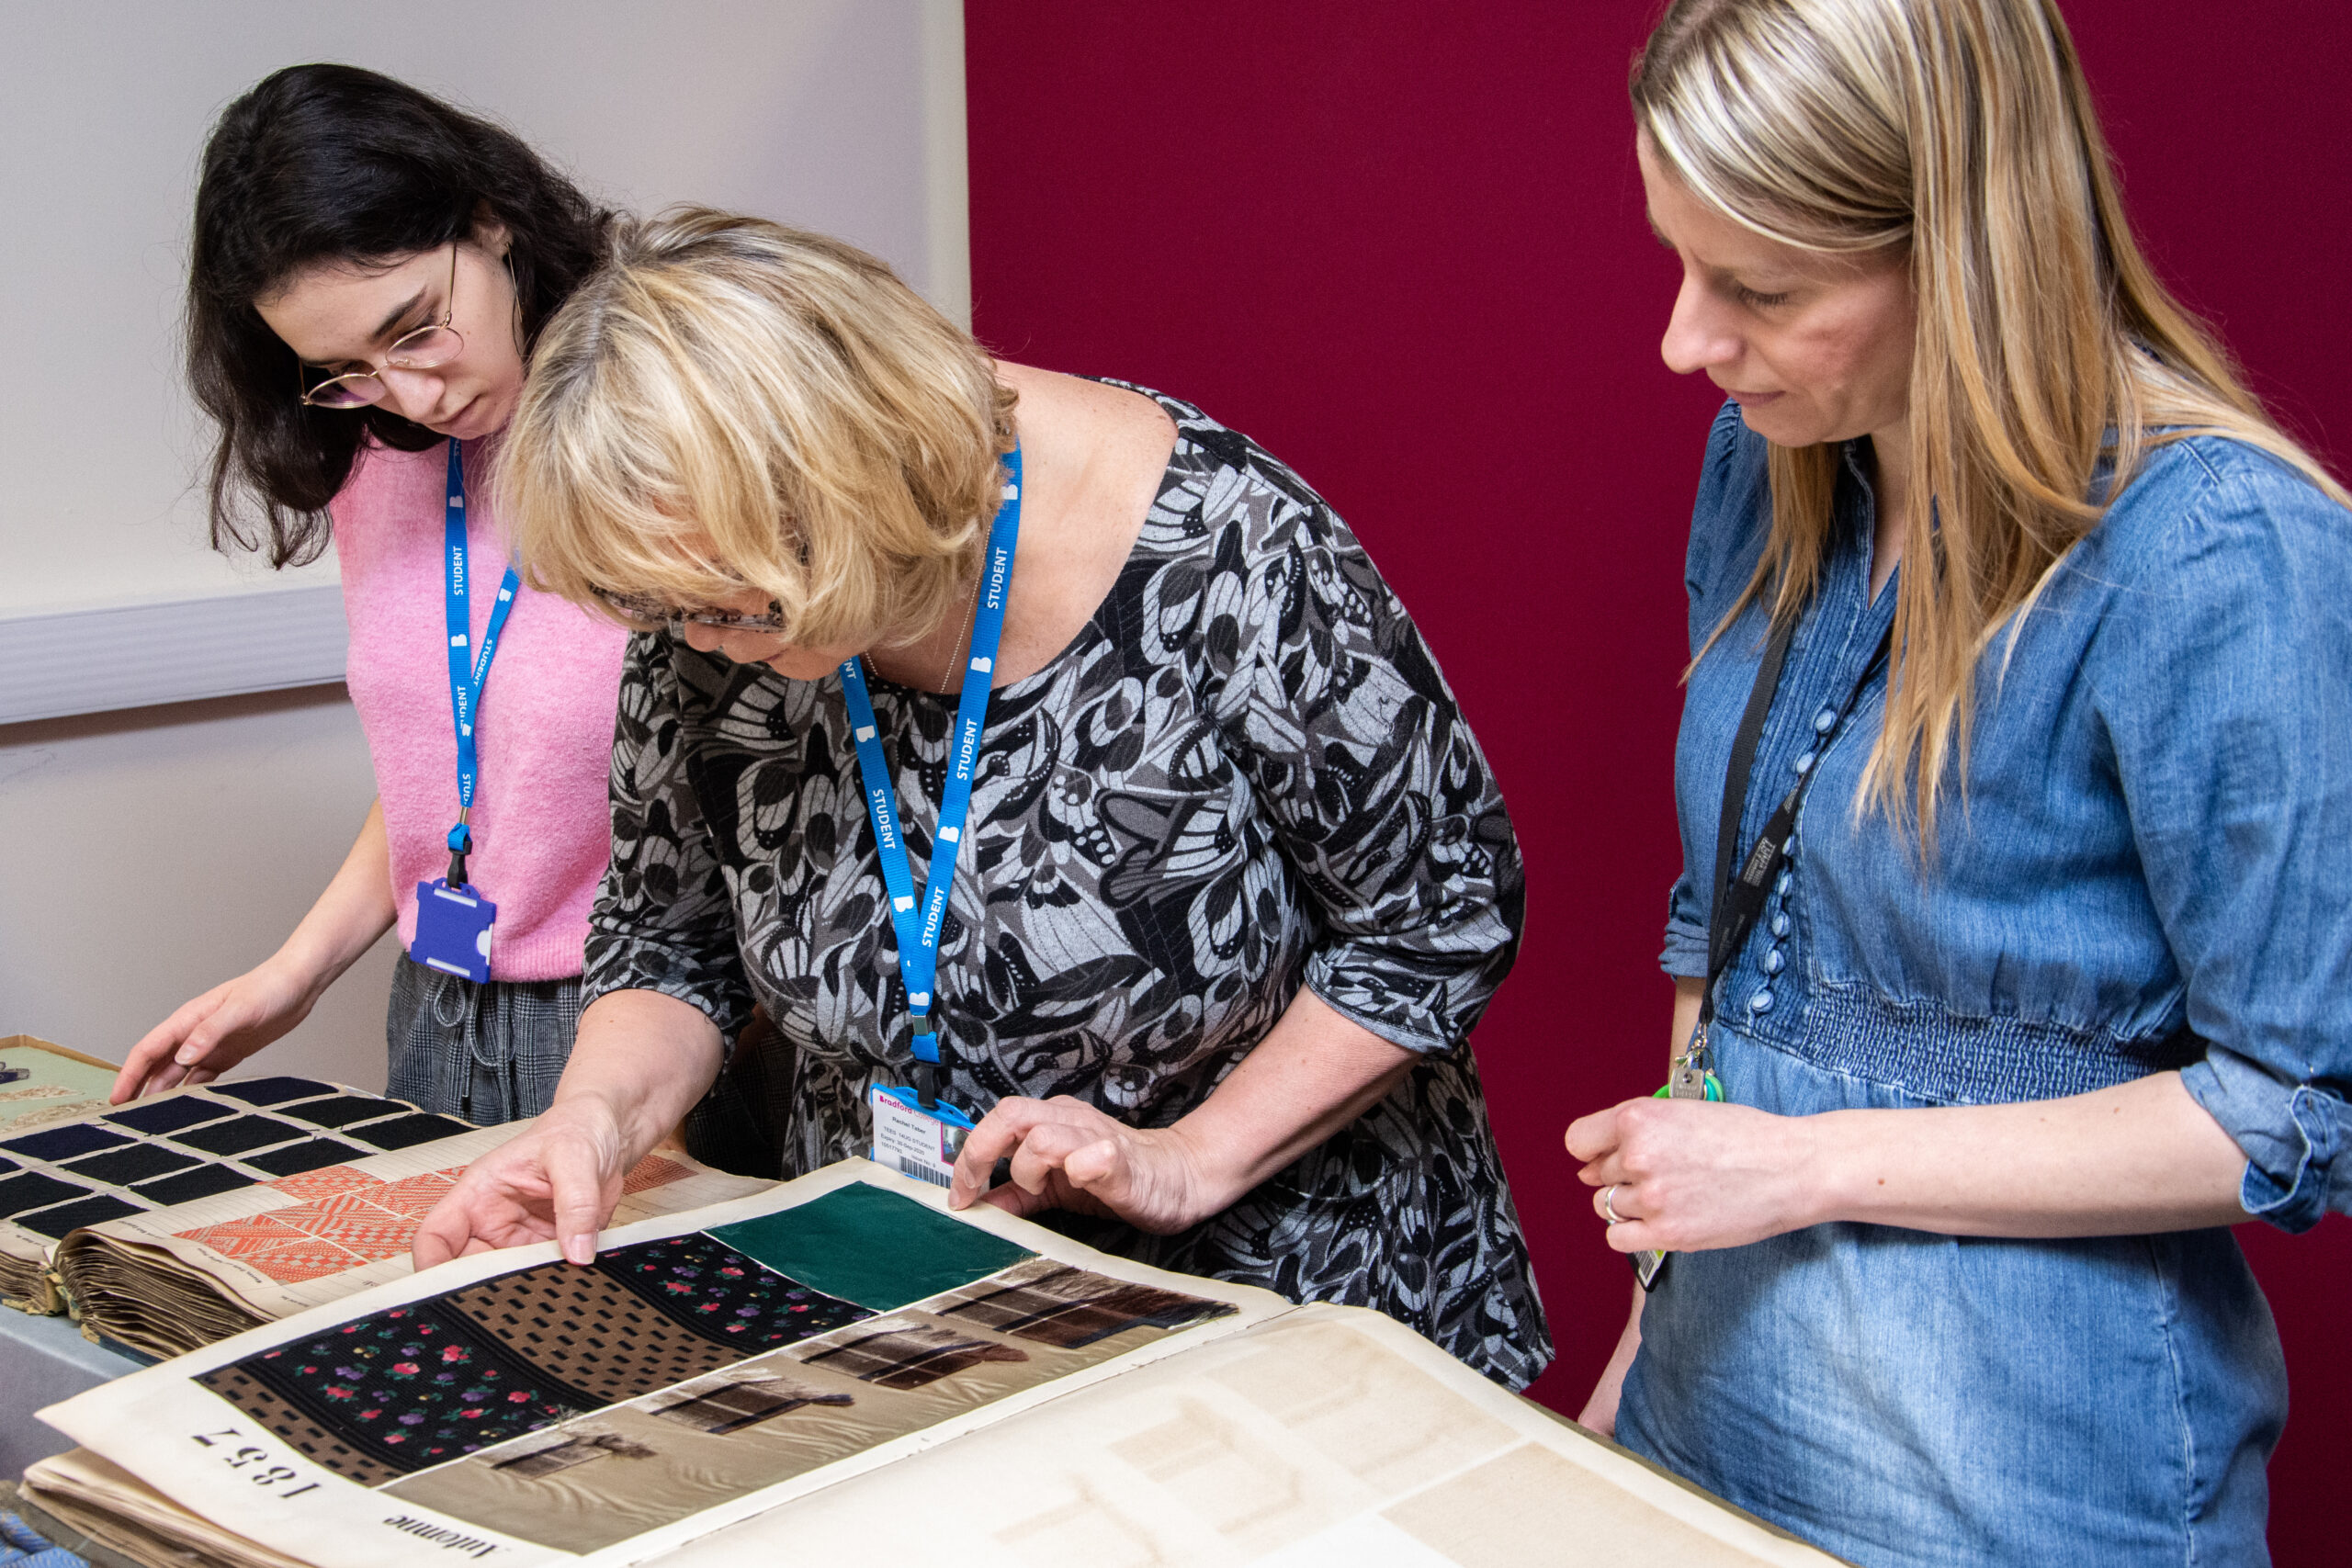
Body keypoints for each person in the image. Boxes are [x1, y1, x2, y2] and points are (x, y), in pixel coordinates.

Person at [413, 209, 1550, 1386]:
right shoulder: (700, 595)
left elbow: (1440, 914)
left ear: (852, 496)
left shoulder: (1223, 546)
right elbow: (667, 939)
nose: (703, 645)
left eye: (743, 607)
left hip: (1283, 1293)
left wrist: (1189, 1158)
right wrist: (592, 1120)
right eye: (667, 612)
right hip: (917, 1305)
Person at [1564, 1, 2351, 1562]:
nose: (1685, 340)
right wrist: (1634, 1370)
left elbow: (2293, 1111)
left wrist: (1807, 1165)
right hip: (1704, 1420)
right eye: (1681, 260)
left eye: (1759, 288)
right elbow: (1729, 940)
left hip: (2019, 1490)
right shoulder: (1776, 467)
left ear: (1962, 249)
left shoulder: (2218, 550)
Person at [109, 65, 627, 1123]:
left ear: (490, 224)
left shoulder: (661, 425)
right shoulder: (378, 457)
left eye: (417, 327)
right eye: (344, 366)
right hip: (439, 1008)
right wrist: (292, 974)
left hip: (643, 1024)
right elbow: (457, 761)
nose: (412, 394)